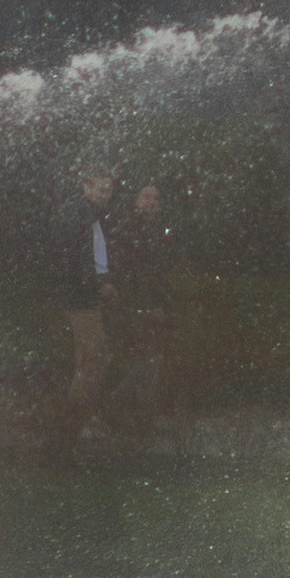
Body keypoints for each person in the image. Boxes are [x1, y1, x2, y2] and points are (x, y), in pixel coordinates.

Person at [116, 177, 173, 438]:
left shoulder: (159, 230)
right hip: (135, 305)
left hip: (149, 303)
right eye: (146, 197)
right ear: (136, 200)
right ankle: (118, 410)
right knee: (145, 359)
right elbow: (134, 273)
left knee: (150, 360)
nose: (151, 203)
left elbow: (158, 271)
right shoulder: (130, 230)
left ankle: (140, 418)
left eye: (155, 198)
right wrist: (149, 305)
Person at [64, 176, 118, 434]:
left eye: (109, 189)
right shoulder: (79, 215)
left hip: (90, 295)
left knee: (92, 358)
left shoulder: (95, 216)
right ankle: (74, 423)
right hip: (81, 297)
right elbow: (76, 257)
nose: (105, 193)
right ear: (85, 187)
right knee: (93, 357)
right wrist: (97, 284)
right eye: (100, 187)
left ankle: (81, 419)